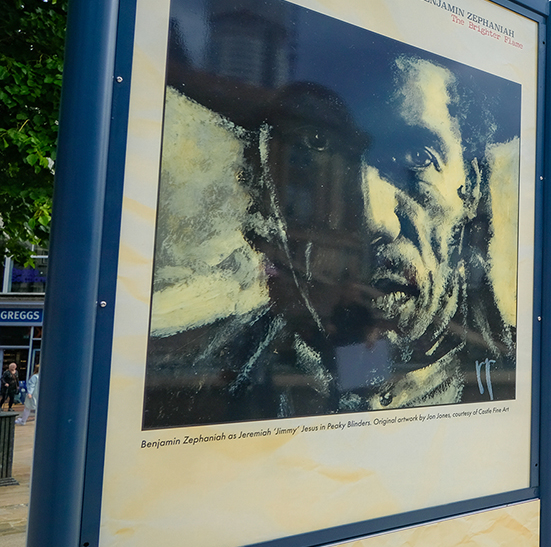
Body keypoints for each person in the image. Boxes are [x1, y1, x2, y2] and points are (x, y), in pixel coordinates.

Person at [143, 52, 516, 427]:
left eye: (417, 156)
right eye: (318, 146)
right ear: (261, 186)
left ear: (472, 187)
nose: (375, 219)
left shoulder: (510, 371)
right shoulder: (194, 383)